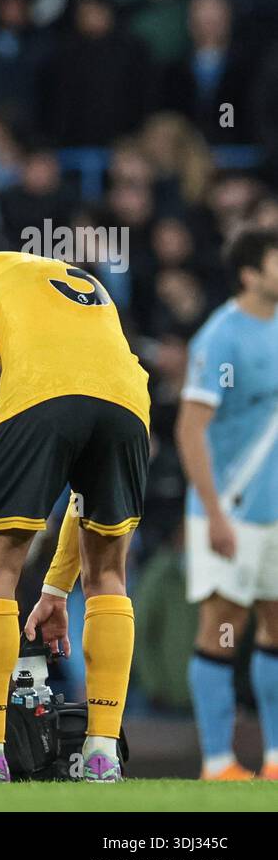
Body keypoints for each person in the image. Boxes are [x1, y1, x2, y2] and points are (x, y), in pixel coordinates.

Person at [0, 251, 149, 783]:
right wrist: (53, 590)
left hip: (38, 397)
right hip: (129, 403)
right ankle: (101, 755)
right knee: (110, 576)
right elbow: (81, 493)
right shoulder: (85, 286)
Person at [175, 229, 278, 781]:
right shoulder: (220, 338)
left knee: (276, 625)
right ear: (250, 273)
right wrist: (212, 512)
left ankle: (274, 758)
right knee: (222, 625)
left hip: (276, 512)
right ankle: (217, 761)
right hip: (229, 509)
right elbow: (190, 429)